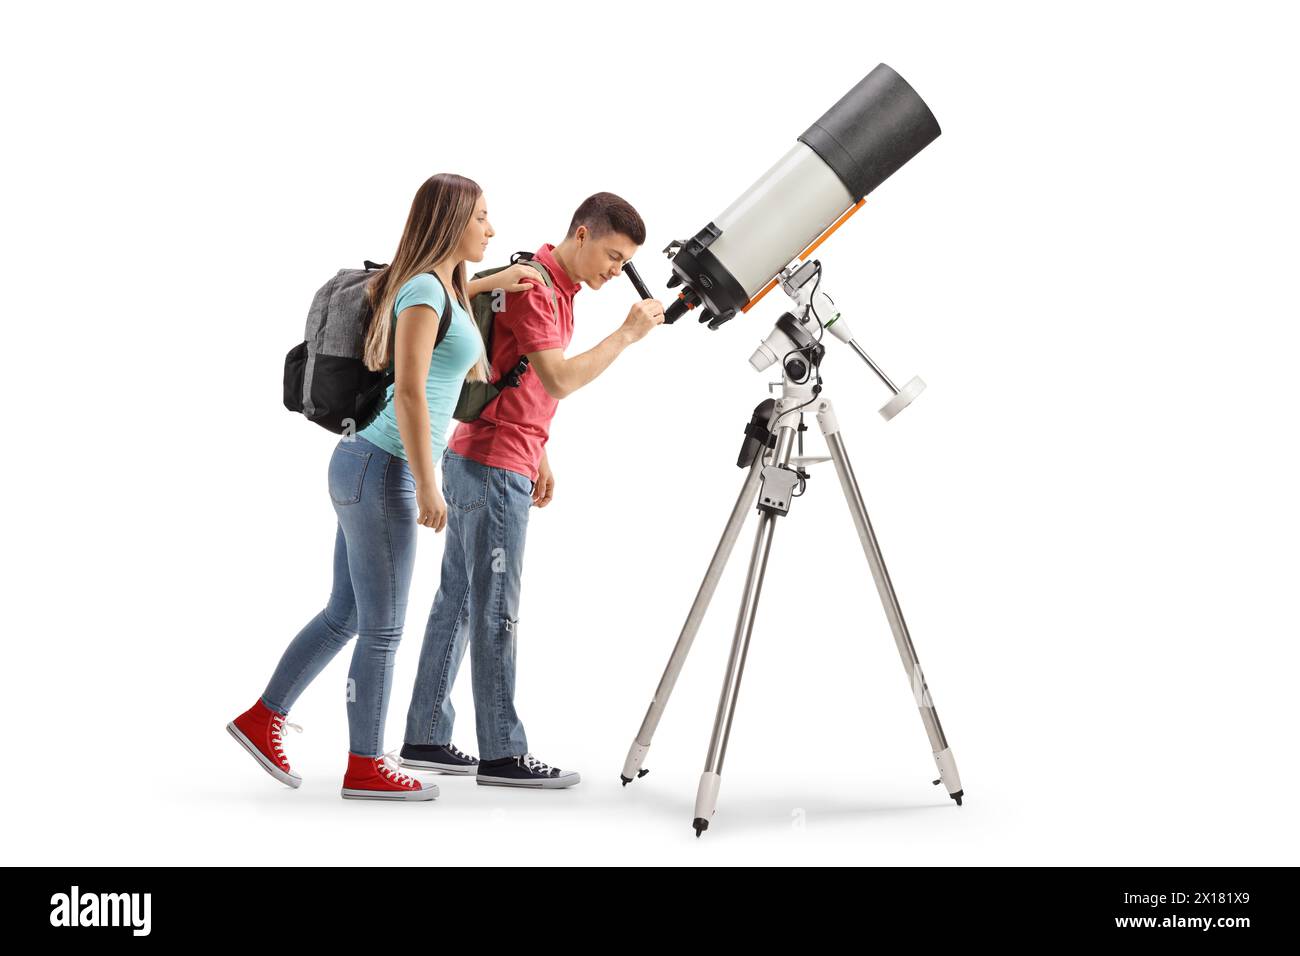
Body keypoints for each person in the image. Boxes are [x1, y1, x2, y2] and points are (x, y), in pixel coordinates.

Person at [226, 173, 544, 801]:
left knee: (346, 613)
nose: (492, 228)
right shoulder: (426, 290)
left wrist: (492, 282)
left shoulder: (441, 289)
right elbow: (409, 396)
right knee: (383, 628)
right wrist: (429, 485)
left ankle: (262, 719)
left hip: (365, 465)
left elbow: (443, 306)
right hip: (383, 468)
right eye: (482, 216)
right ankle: (365, 765)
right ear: (452, 223)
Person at [400, 192, 664, 788]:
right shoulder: (537, 289)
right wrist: (626, 334)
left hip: (487, 457)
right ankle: (502, 753)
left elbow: (510, 372)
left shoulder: (552, 286)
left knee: (459, 602)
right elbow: (561, 378)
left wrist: (539, 450)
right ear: (581, 234)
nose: (615, 271)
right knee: (495, 609)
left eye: (625, 263)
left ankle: (424, 737)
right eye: (612, 255)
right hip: (493, 469)